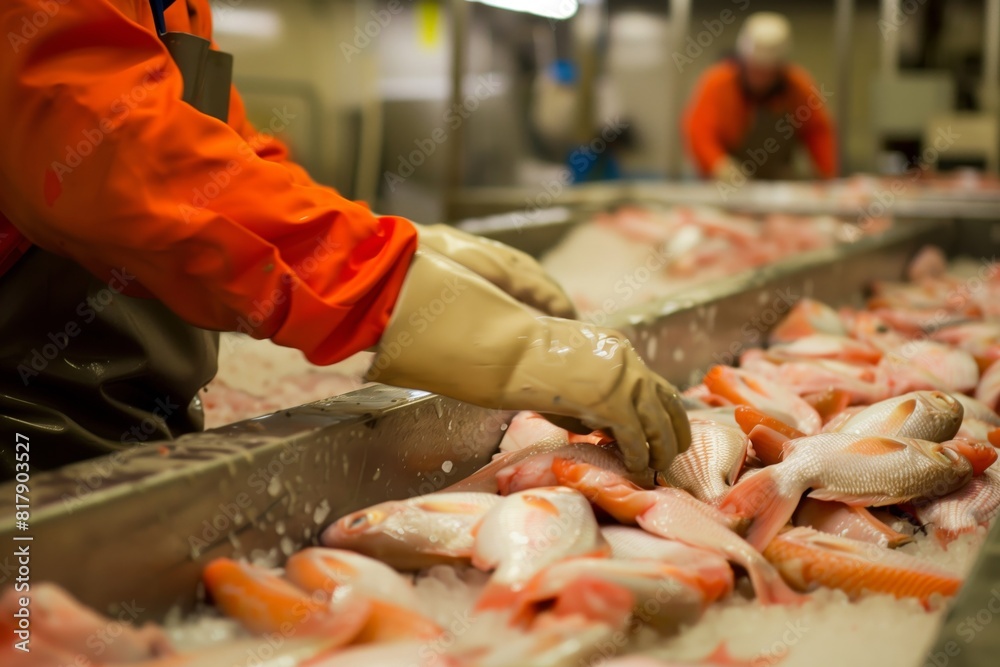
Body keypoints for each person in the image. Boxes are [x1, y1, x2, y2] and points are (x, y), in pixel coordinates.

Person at [0, 0, 690, 479]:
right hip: (24, 440)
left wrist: (409, 242)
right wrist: (398, 288)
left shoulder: (176, 7)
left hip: (120, 430)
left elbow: (226, 162)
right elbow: (107, 158)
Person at [683, 12, 837, 183]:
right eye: (756, 69)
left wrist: (827, 177)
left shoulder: (798, 86)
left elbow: (818, 132)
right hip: (727, 186)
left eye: (768, 71)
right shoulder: (718, 83)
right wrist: (718, 165)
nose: (761, 78)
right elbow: (698, 131)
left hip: (779, 186)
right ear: (743, 61)